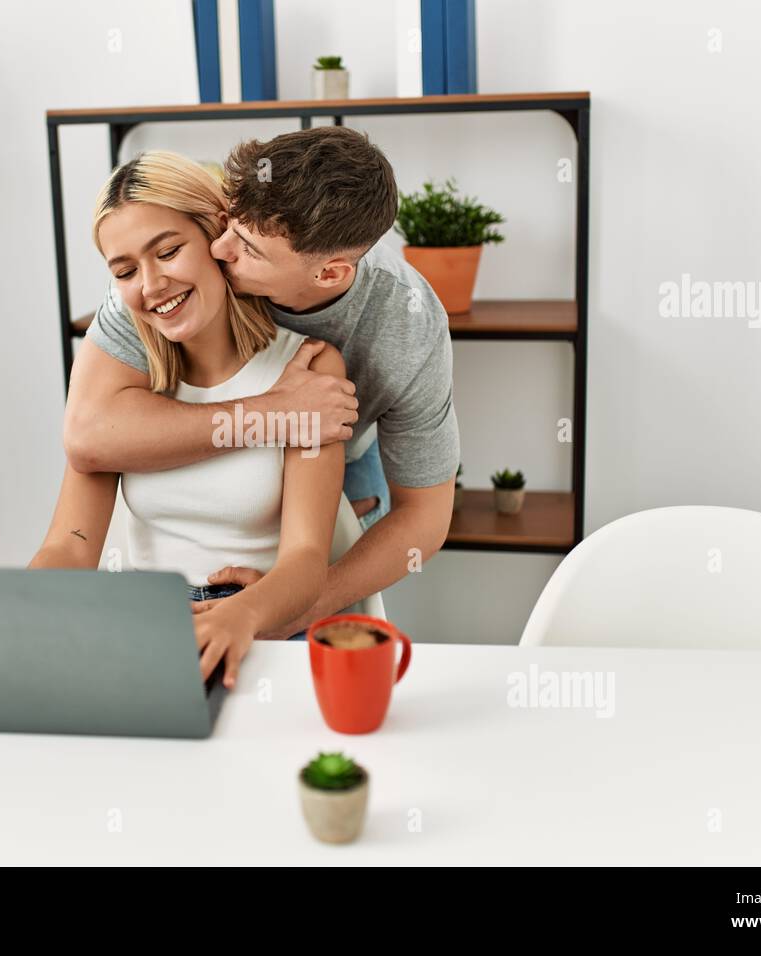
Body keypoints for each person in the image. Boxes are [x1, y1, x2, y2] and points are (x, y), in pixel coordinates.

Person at [65, 127, 460, 641]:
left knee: (338, 551)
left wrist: (292, 610)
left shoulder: (403, 325)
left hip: (348, 437)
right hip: (268, 417)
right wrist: (272, 413)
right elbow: (89, 440)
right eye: (229, 220)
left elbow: (424, 517)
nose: (220, 246)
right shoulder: (159, 286)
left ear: (328, 275)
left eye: (246, 246)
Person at [29, 151, 357, 690]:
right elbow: (69, 543)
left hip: (263, 625)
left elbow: (303, 562)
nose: (152, 284)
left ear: (217, 237)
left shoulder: (307, 369)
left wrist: (243, 615)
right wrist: (21, 611)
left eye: (169, 251)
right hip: (148, 622)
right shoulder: (122, 385)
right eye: (126, 271)